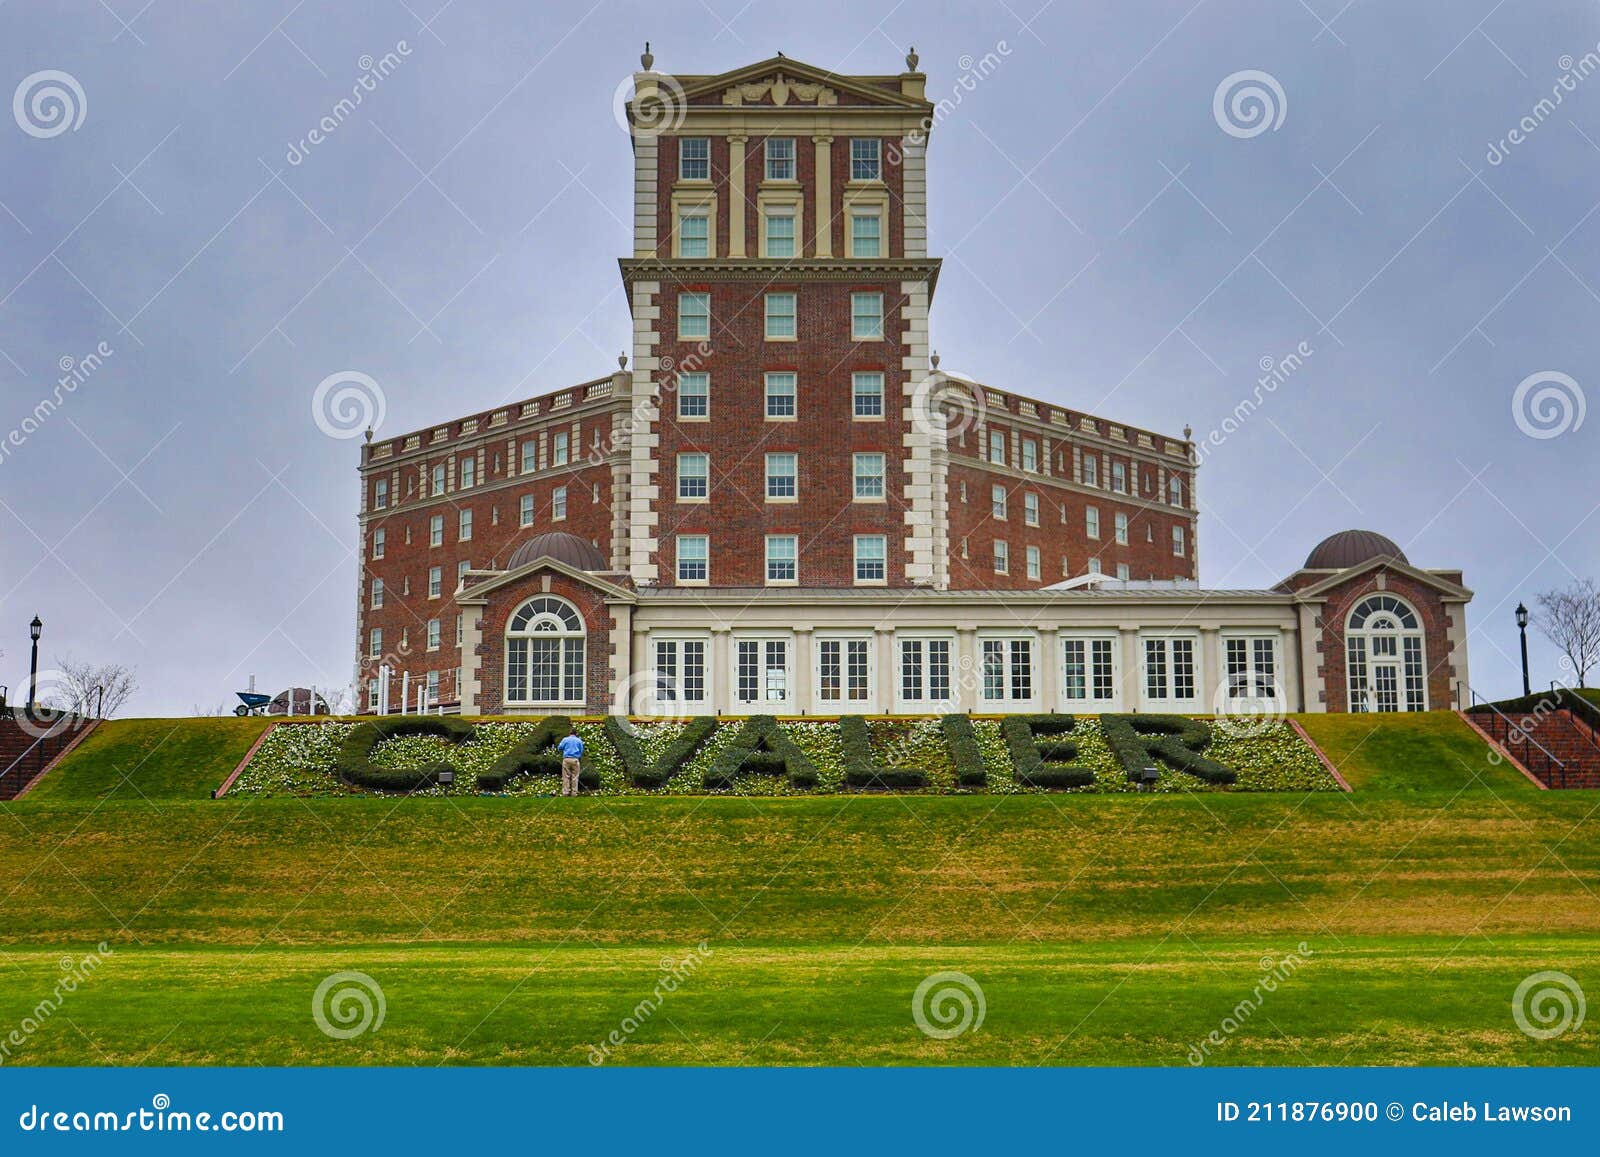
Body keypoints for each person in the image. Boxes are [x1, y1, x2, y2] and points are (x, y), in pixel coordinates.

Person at [557, 726, 584, 797]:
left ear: (570, 733)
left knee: (566, 777)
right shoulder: (579, 740)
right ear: (576, 733)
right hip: (575, 759)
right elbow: (581, 751)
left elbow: (559, 748)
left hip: (566, 759)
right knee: (575, 777)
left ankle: (565, 792)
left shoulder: (565, 739)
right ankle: (574, 793)